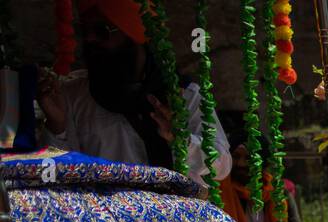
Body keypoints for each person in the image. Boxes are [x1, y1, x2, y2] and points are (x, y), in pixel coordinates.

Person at [37, 0, 231, 187]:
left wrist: (182, 141)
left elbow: (221, 165)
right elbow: (58, 175)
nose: (90, 39)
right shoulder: (73, 93)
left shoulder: (183, 95)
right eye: (84, 31)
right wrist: (56, 126)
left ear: (133, 37)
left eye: (102, 31)